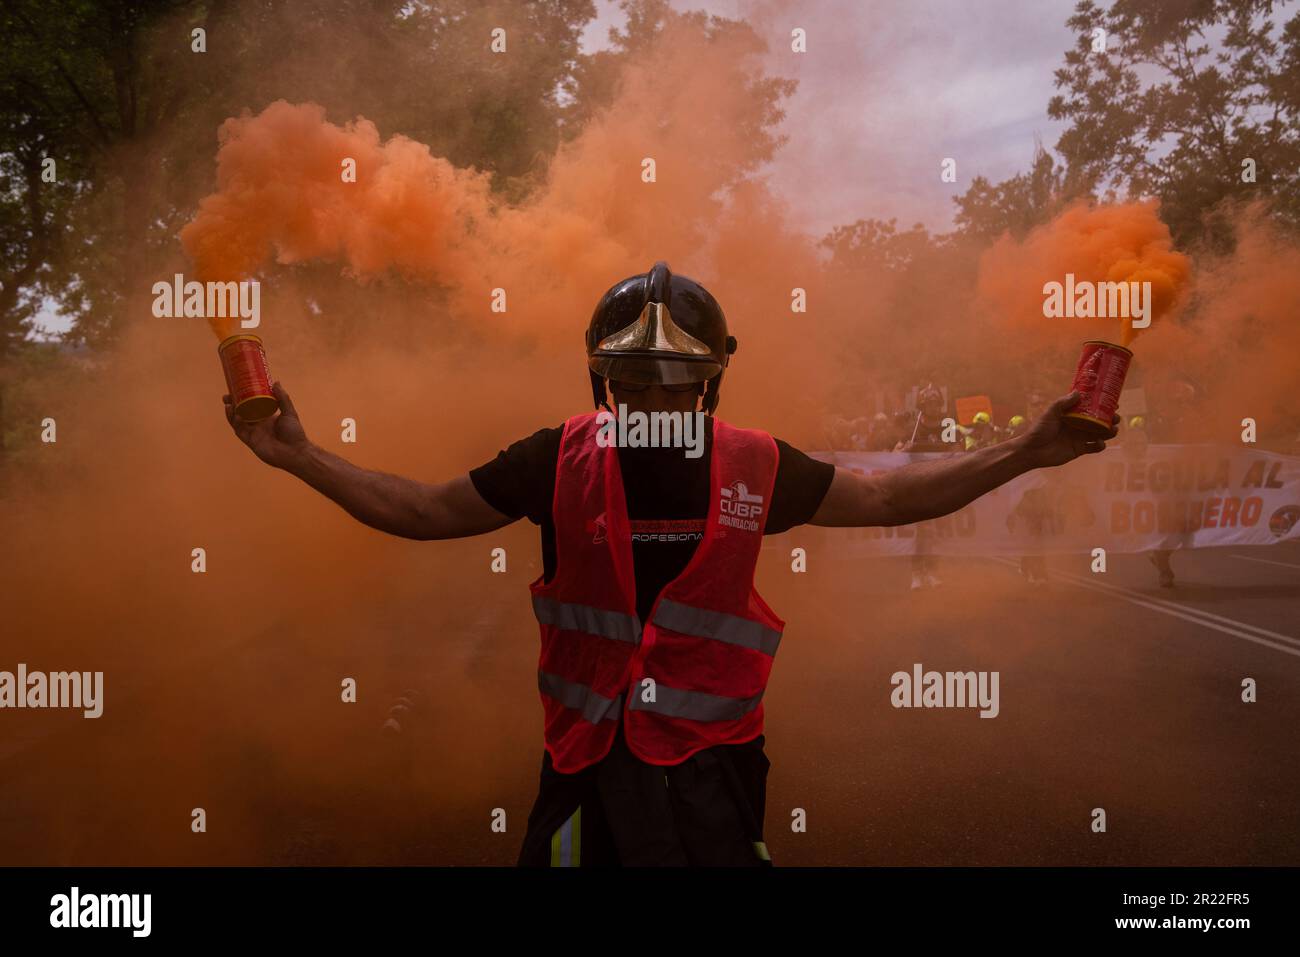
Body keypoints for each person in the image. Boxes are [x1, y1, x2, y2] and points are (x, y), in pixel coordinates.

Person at [222, 260, 1118, 866]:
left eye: (673, 381)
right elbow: (420, 510)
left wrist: (1025, 454)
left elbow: (888, 498)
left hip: (713, 778)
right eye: (633, 379)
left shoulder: (757, 465)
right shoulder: (554, 457)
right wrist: (298, 455)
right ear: (602, 380)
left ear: (710, 381)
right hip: (583, 771)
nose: (653, 398)